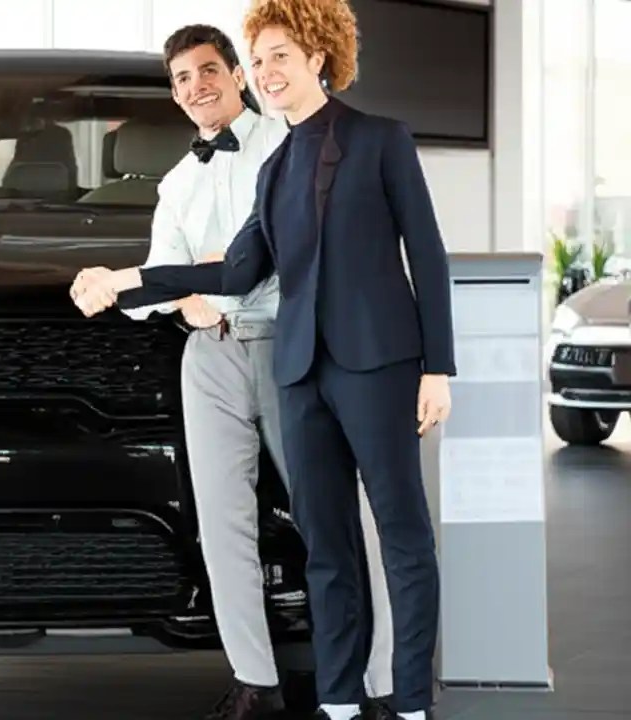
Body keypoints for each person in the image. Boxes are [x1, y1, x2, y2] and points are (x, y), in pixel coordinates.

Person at [70, 1, 454, 719]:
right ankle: (325, 698)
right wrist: (125, 282)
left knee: (395, 532)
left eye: (279, 56)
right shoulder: (256, 172)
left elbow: (425, 255)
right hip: (275, 364)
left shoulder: (365, 138)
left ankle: (403, 698)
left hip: (355, 356)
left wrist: (439, 368)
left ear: (315, 57)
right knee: (311, 539)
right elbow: (231, 268)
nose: (266, 71)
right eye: (262, 58)